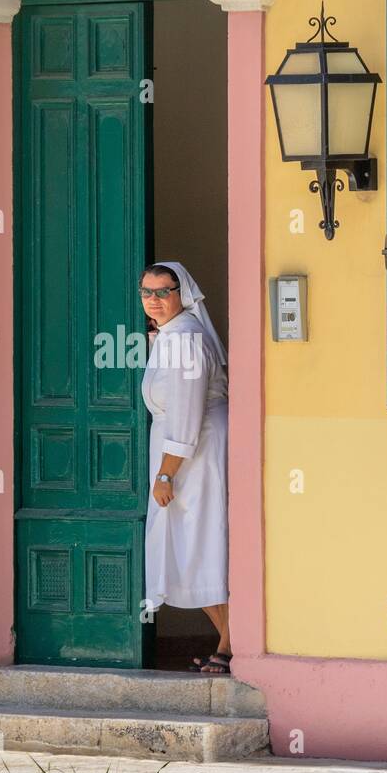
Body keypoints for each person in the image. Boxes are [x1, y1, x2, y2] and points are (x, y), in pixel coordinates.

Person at [138, 261, 231, 674]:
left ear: (182, 293)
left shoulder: (186, 341)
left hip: (193, 456)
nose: (154, 300)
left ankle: (230, 644)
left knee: (199, 546)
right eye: (146, 292)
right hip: (182, 454)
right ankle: (230, 639)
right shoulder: (173, 337)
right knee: (188, 548)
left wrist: (166, 473)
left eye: (163, 291)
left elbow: (188, 412)